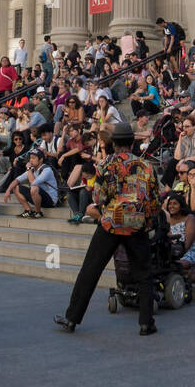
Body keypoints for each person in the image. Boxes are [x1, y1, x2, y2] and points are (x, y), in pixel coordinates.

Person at [54, 121, 161, 335]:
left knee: (90, 270)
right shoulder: (146, 166)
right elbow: (154, 201)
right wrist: (146, 222)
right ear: (131, 143)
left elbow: (98, 196)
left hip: (111, 222)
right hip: (136, 224)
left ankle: (71, 319)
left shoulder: (105, 164)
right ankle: (145, 323)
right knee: (144, 274)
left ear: (113, 144)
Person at [164, 192, 195, 270]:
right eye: (170, 204)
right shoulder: (168, 220)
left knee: (175, 266)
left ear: (181, 206)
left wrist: (177, 256)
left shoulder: (190, 218)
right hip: (172, 251)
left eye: (175, 204)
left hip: (188, 251)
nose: (171, 206)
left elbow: (188, 243)